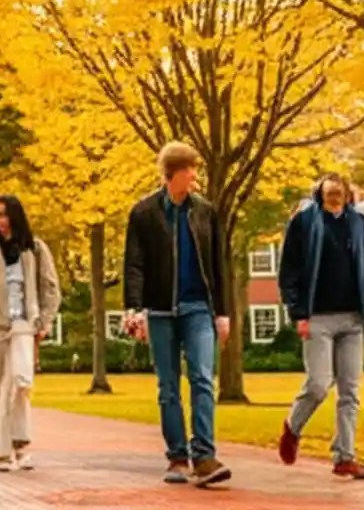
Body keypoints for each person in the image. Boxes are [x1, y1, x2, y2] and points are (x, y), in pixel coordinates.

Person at [122, 142, 232, 488]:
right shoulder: (143, 213)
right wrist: (134, 307)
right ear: (173, 175)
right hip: (159, 310)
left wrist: (224, 312)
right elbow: (134, 264)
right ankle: (177, 457)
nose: (196, 176)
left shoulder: (205, 212)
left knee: (201, 378)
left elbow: (219, 264)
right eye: (190, 170)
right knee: (168, 386)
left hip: (199, 307)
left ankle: (204, 457)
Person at [276, 173, 364, 480]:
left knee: (350, 392)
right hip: (317, 318)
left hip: (353, 320)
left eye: (338, 195)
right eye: (328, 195)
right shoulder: (304, 224)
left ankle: (345, 456)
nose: (334, 200)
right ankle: (293, 427)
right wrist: (297, 312)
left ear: (346, 196)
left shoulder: (359, 225)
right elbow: (289, 271)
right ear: (320, 196)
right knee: (317, 384)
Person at [0, 195, 61, 472]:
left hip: (22, 325)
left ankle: (21, 444)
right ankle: (0, 452)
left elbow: (50, 287)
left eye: (4, 215)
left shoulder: (35, 249)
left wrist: (43, 321)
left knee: (20, 384)